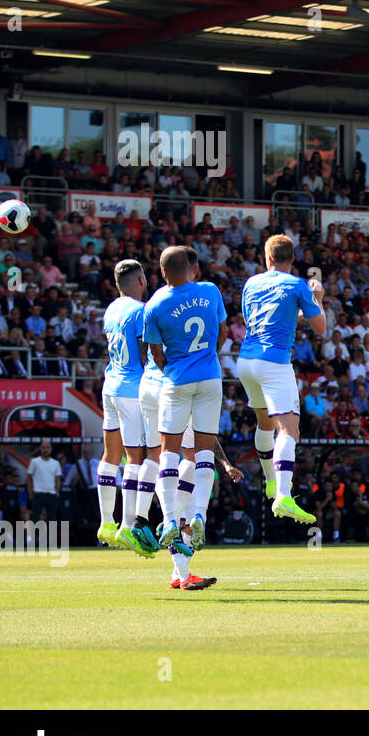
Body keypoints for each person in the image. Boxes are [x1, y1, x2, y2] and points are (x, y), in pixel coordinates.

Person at [143, 246, 225, 590]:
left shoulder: (155, 305)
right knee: (204, 451)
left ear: (162, 272)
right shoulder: (210, 291)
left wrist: (175, 369)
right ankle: (200, 515)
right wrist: (207, 361)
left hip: (175, 381)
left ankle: (169, 520)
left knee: (169, 453)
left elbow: (155, 352)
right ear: (193, 268)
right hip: (210, 378)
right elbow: (220, 332)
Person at [236, 234, 325, 526]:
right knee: (289, 430)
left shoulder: (252, 283)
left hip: (246, 361)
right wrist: (318, 299)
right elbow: (320, 327)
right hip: (274, 362)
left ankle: (271, 482)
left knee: (264, 423)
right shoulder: (298, 284)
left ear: (268, 258)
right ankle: (284, 496)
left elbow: (262, 320)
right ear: (291, 259)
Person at [97, 260, 154, 555]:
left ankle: (106, 522)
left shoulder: (111, 309)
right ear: (141, 281)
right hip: (133, 390)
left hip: (110, 387)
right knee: (136, 458)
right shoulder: (140, 311)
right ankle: (128, 526)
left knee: (110, 455)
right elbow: (147, 354)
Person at [26, 440, 62, 526]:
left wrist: (57, 493)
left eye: (47, 448)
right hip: (38, 493)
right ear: (40, 449)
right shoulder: (35, 462)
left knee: (52, 519)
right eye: (43, 448)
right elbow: (28, 477)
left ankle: (51, 539)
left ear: (51, 449)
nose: (45, 450)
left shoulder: (55, 463)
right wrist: (30, 492)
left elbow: (58, 479)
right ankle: (36, 538)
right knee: (36, 518)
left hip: (51, 494)